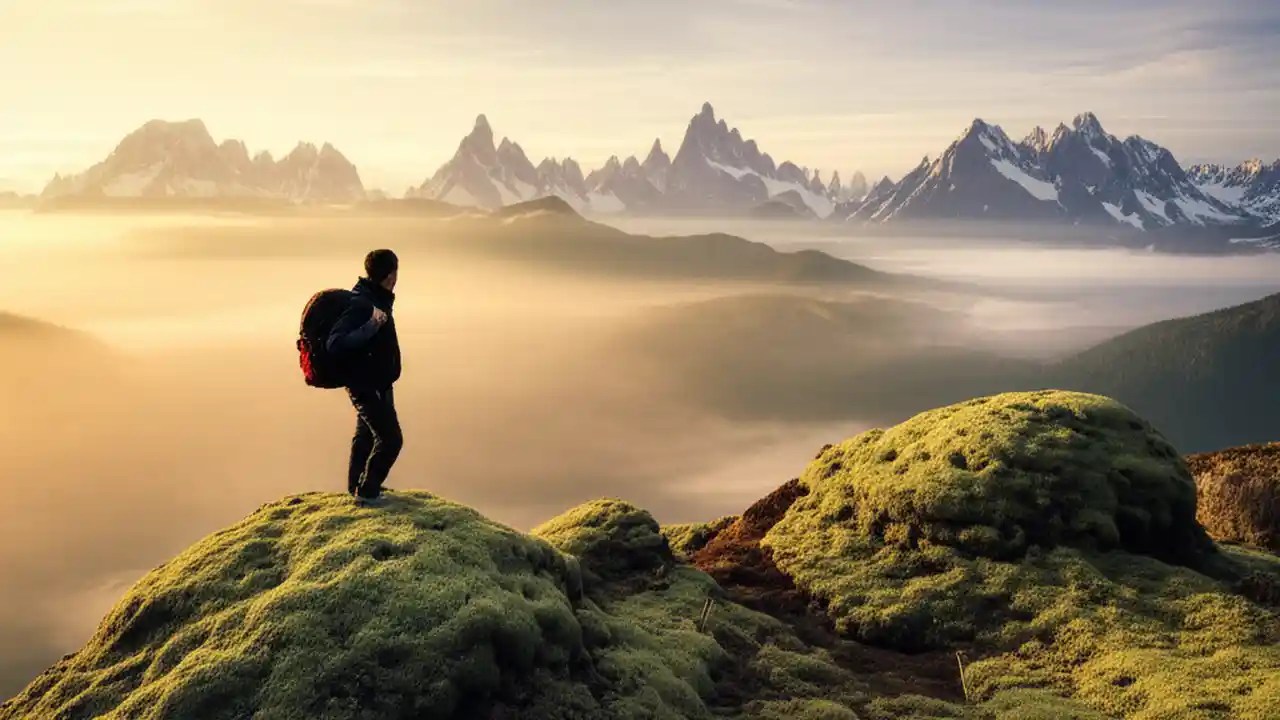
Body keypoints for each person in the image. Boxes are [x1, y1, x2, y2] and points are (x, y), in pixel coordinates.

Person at [327, 249, 402, 506]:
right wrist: (372, 326)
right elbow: (335, 343)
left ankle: (357, 487)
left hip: (377, 383)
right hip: (367, 386)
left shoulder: (375, 297)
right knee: (391, 440)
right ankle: (368, 493)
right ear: (390, 275)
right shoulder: (363, 304)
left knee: (367, 436)